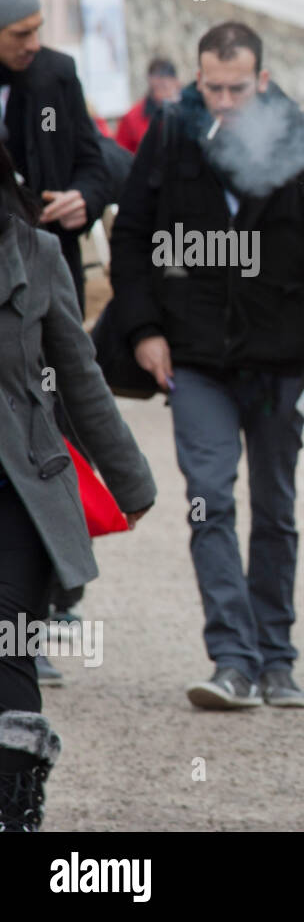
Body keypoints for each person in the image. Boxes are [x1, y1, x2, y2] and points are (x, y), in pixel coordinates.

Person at [109, 22, 304, 710]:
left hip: (280, 357)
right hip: (193, 357)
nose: (221, 101)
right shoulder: (170, 134)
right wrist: (142, 329)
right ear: (198, 79)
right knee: (210, 499)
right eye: (210, 86)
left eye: (235, 87)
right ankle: (232, 657)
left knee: (276, 508)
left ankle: (276, 658)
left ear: (262, 79)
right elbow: (131, 236)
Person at [0, 139, 155, 831]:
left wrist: (130, 478)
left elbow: (80, 375)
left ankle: (13, 809)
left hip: (18, 492)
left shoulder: (35, 253)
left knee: (7, 647)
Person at [0, 0, 111, 315]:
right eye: (21, 34)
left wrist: (83, 198)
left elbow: (92, 162)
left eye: (38, 30)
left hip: (54, 275)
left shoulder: (57, 75)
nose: (33, 44)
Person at [115, 57, 180, 155]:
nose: (163, 83)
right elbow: (120, 156)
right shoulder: (132, 118)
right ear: (150, 81)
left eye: (167, 78)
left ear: (175, 82)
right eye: (158, 78)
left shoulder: (186, 112)